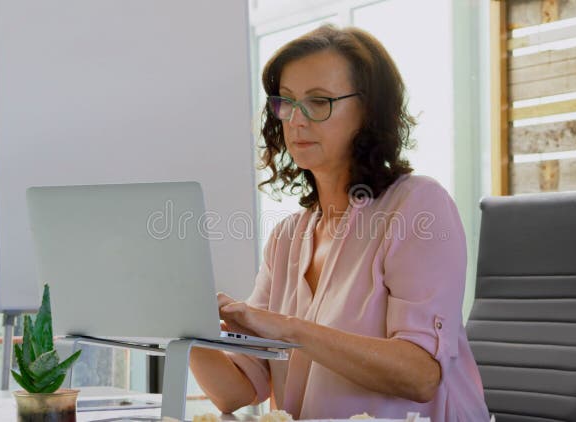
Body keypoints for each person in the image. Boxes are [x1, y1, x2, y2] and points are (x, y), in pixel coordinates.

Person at [189, 24, 490, 421]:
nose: (296, 120)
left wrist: (289, 330)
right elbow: (238, 390)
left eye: (319, 102)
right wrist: (185, 324)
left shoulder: (417, 206)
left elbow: (420, 375)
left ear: (368, 112)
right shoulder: (287, 238)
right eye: (287, 102)